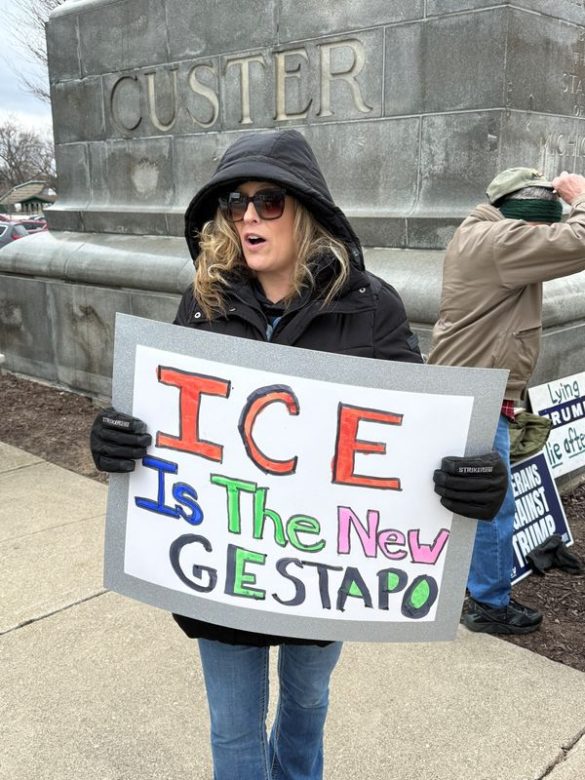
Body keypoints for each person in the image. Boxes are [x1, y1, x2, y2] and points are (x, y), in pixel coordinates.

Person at [90, 129, 507, 780]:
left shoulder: (372, 309)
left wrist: (472, 479)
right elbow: (162, 423)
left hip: (322, 572)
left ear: (305, 208)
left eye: (269, 200)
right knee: (232, 731)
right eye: (234, 202)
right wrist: (117, 439)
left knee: (307, 702)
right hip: (221, 569)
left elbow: (424, 436)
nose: (249, 216)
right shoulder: (201, 306)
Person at [428, 166, 585, 636]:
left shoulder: (484, 233)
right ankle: (489, 605)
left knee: (467, 498)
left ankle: (465, 585)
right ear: (521, 217)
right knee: (495, 503)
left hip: (469, 390)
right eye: (541, 227)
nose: (543, 238)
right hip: (474, 396)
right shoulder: (500, 242)